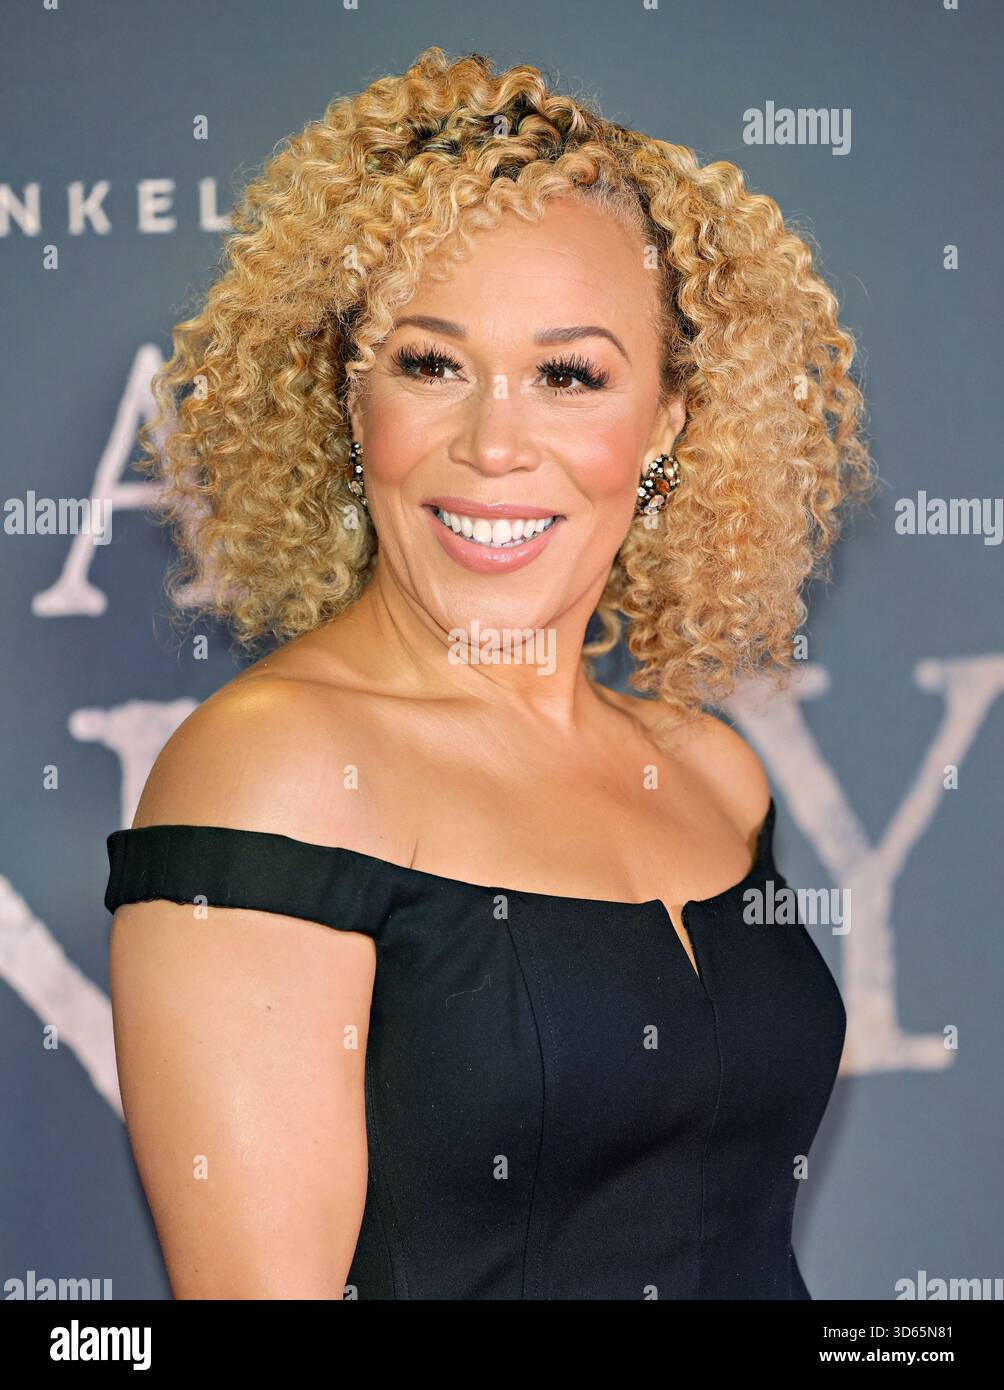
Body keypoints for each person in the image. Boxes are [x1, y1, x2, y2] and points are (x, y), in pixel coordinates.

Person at [104, 46, 875, 1300]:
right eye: (430, 364)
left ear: (666, 426)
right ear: (349, 404)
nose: (494, 443)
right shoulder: (271, 776)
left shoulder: (709, 771)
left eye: (568, 375)